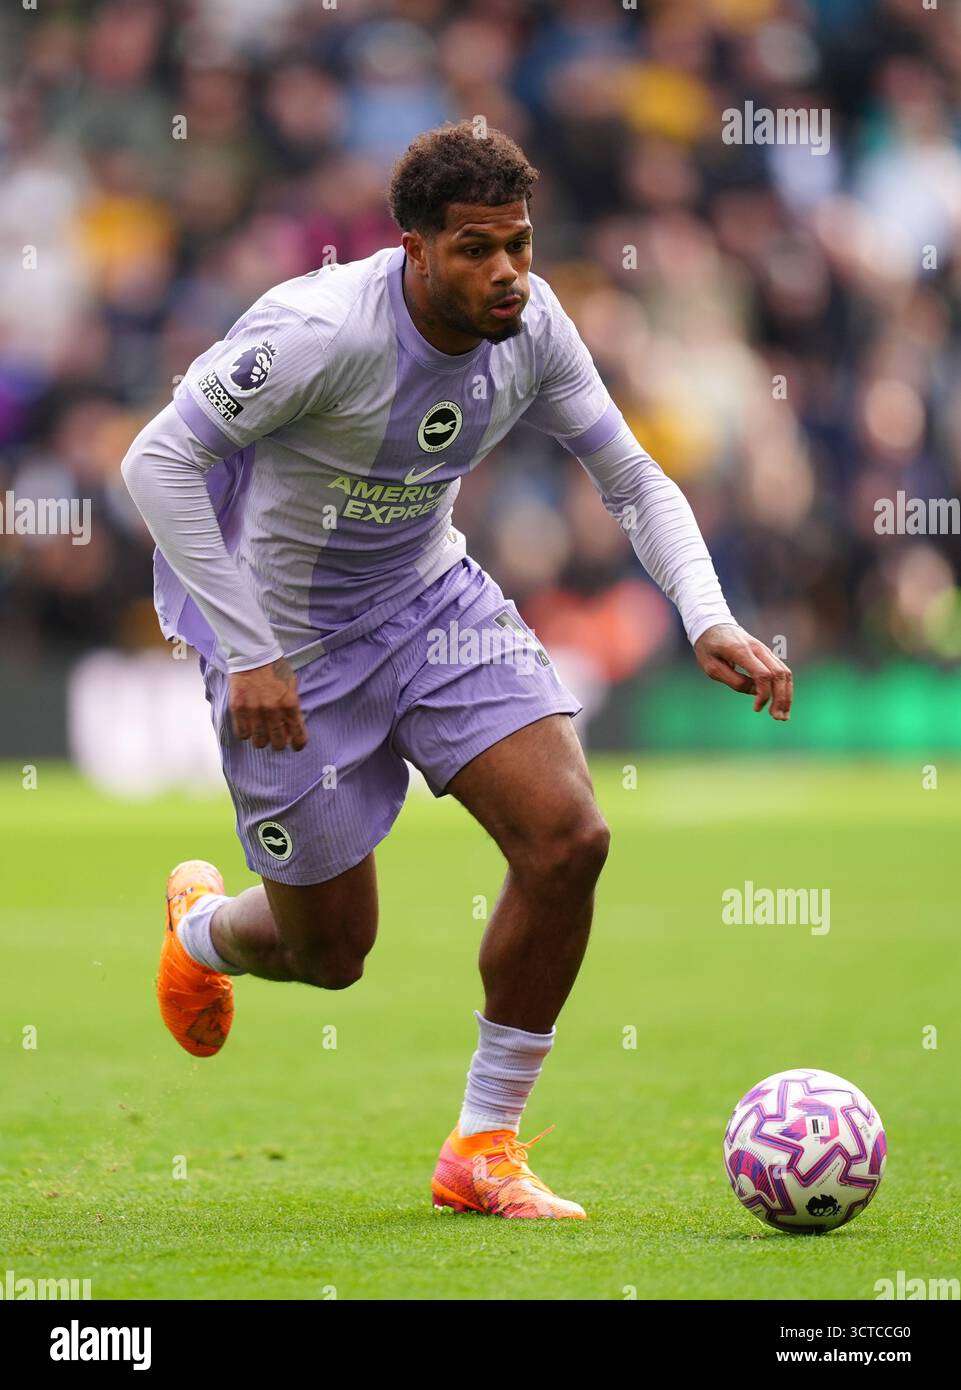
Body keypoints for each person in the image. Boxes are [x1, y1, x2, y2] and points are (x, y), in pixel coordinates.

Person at [121, 121, 792, 1221]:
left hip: (433, 604)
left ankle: (483, 1145)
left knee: (570, 836)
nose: (506, 273)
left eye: (519, 245)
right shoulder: (315, 328)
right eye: (476, 249)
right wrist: (249, 648)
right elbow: (156, 459)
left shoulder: (535, 324)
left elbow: (628, 475)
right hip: (286, 639)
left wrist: (706, 614)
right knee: (330, 954)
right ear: (412, 249)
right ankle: (201, 930)